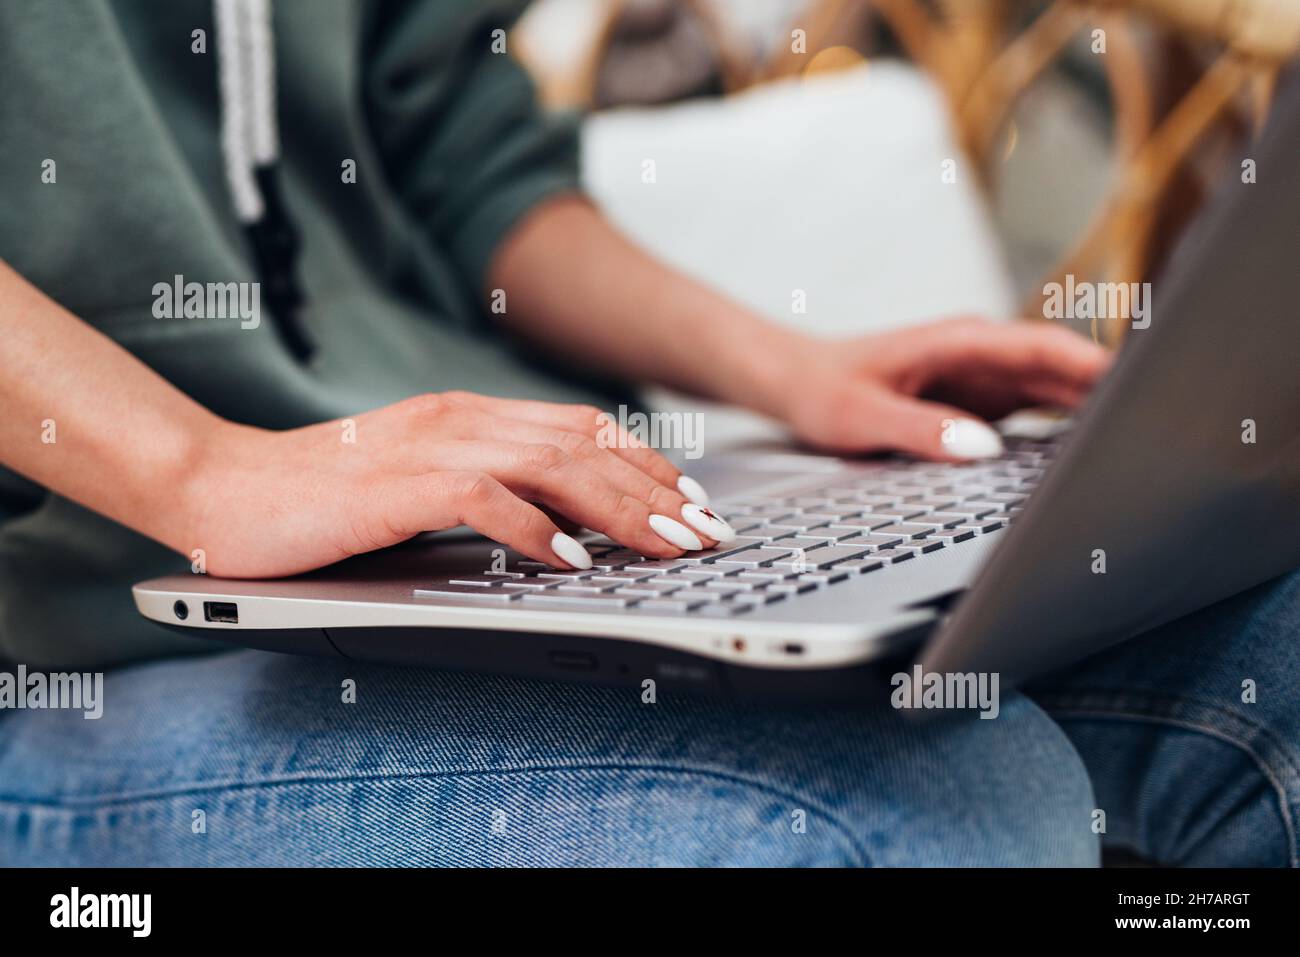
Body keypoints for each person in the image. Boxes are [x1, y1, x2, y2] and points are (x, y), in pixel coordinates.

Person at [0, 0, 1294, 867]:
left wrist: (792, 372)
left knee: (1277, 650)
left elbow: (462, 154)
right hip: (76, 636)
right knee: (936, 809)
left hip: (489, 532)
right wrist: (202, 468)